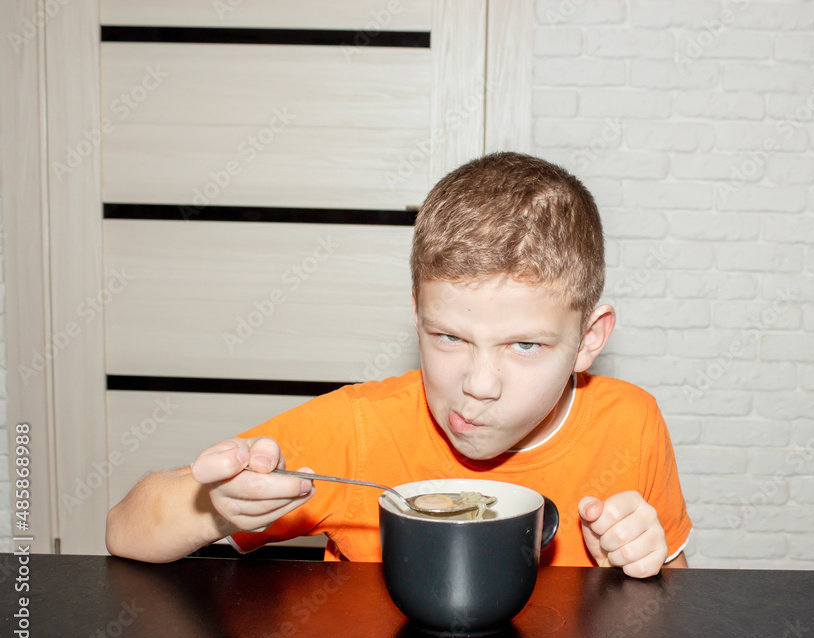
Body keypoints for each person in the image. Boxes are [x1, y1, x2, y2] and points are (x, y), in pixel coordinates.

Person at [106, 152, 692, 577]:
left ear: (589, 339)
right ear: (417, 315)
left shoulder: (630, 424)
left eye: (524, 346)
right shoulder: (361, 431)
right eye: (449, 337)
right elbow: (123, 529)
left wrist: (646, 562)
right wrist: (217, 508)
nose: (479, 385)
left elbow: (679, 594)